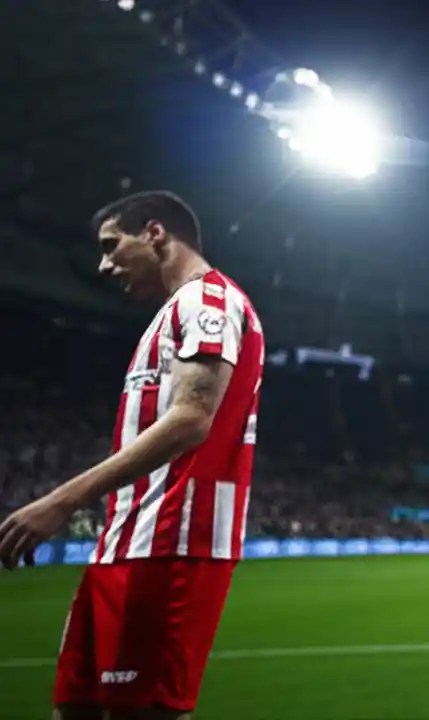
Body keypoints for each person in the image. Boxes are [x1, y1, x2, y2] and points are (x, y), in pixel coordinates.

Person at [0, 191, 266, 720]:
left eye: (110, 245)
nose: (103, 264)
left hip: (170, 541)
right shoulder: (172, 312)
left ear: (155, 232)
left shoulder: (208, 301)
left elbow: (192, 419)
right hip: (125, 542)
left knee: (138, 711)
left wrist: (62, 499)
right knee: (75, 707)